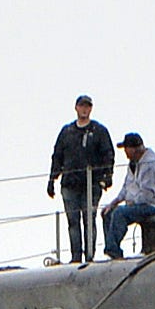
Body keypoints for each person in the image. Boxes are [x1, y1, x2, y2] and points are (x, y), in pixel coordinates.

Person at [47, 96, 115, 266]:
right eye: (82, 106)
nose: (84, 109)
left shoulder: (99, 131)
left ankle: (89, 256)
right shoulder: (67, 132)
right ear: (76, 108)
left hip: (91, 184)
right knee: (73, 221)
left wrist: (107, 177)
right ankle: (76, 256)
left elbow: (108, 154)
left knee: (89, 219)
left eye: (87, 106)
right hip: (69, 183)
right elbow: (57, 156)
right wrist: (52, 179)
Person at [103, 132, 155, 259]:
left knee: (120, 213)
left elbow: (147, 195)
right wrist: (113, 203)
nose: (125, 152)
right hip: (138, 203)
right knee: (108, 213)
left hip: (154, 205)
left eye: (126, 148)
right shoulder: (133, 164)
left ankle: (112, 249)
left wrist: (130, 204)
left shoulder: (150, 164)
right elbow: (126, 187)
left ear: (135, 149)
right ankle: (113, 251)